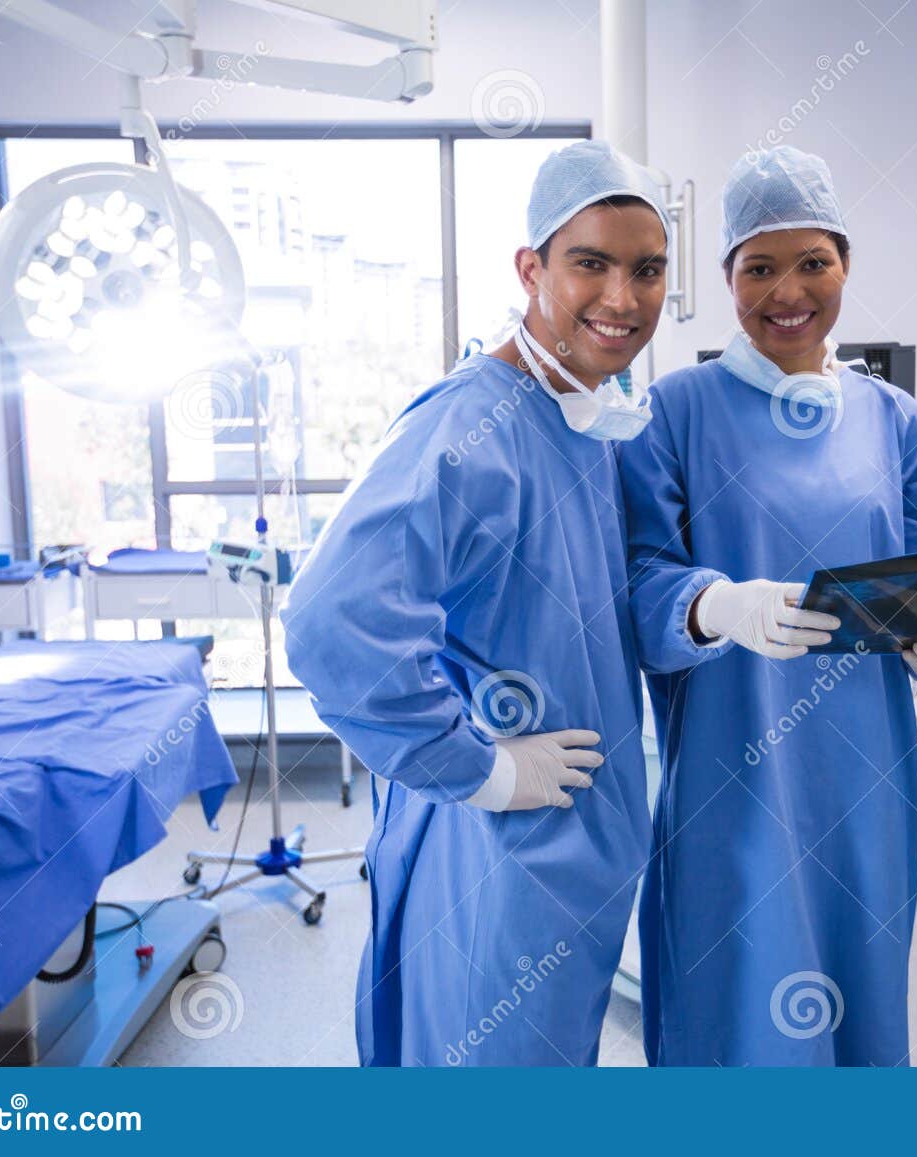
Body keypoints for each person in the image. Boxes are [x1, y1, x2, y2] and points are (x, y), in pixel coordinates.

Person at [283, 139, 672, 1066]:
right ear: (531, 269)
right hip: (493, 854)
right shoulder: (470, 425)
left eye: (648, 270)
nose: (622, 299)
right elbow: (332, 622)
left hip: (566, 850)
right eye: (592, 264)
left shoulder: (585, 424)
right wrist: (478, 768)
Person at [618, 145, 917, 1066]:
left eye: (813, 262)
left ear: (846, 266)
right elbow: (640, 580)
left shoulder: (895, 419)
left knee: (860, 993)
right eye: (760, 267)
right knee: (735, 998)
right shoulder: (675, 413)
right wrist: (717, 605)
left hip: (866, 772)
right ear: (728, 278)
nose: (789, 291)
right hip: (730, 772)